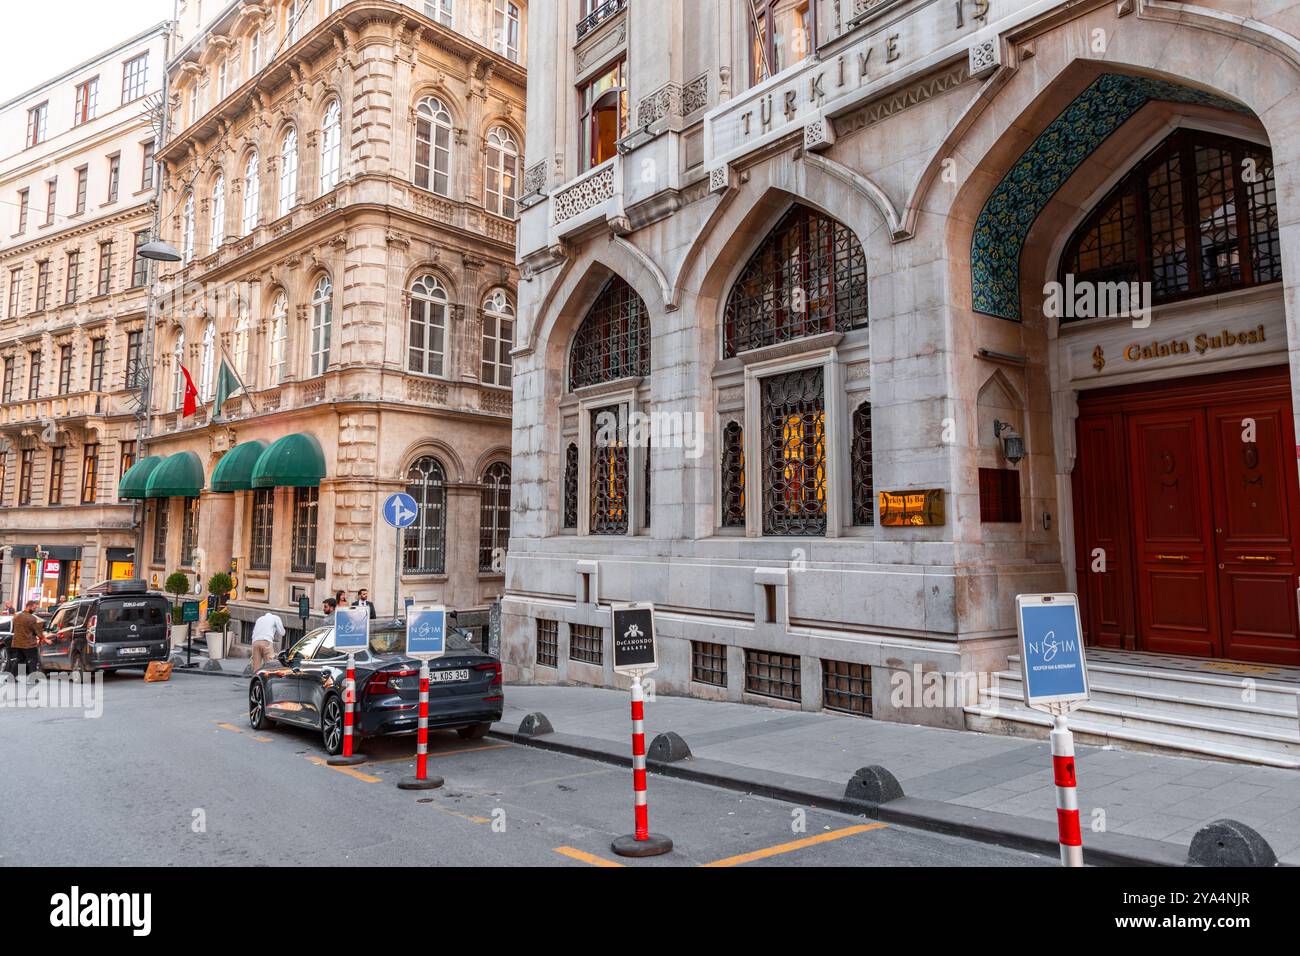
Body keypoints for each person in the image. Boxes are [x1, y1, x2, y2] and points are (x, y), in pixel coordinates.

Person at [9, 600, 44, 680]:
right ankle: (32, 678)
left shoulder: (16, 616)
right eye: (34, 608)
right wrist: (43, 637)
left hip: (17, 642)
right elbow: (37, 631)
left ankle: (11, 677)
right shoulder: (31, 618)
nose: (35, 610)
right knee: (33, 660)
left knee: (19, 659)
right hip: (28, 643)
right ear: (29, 606)